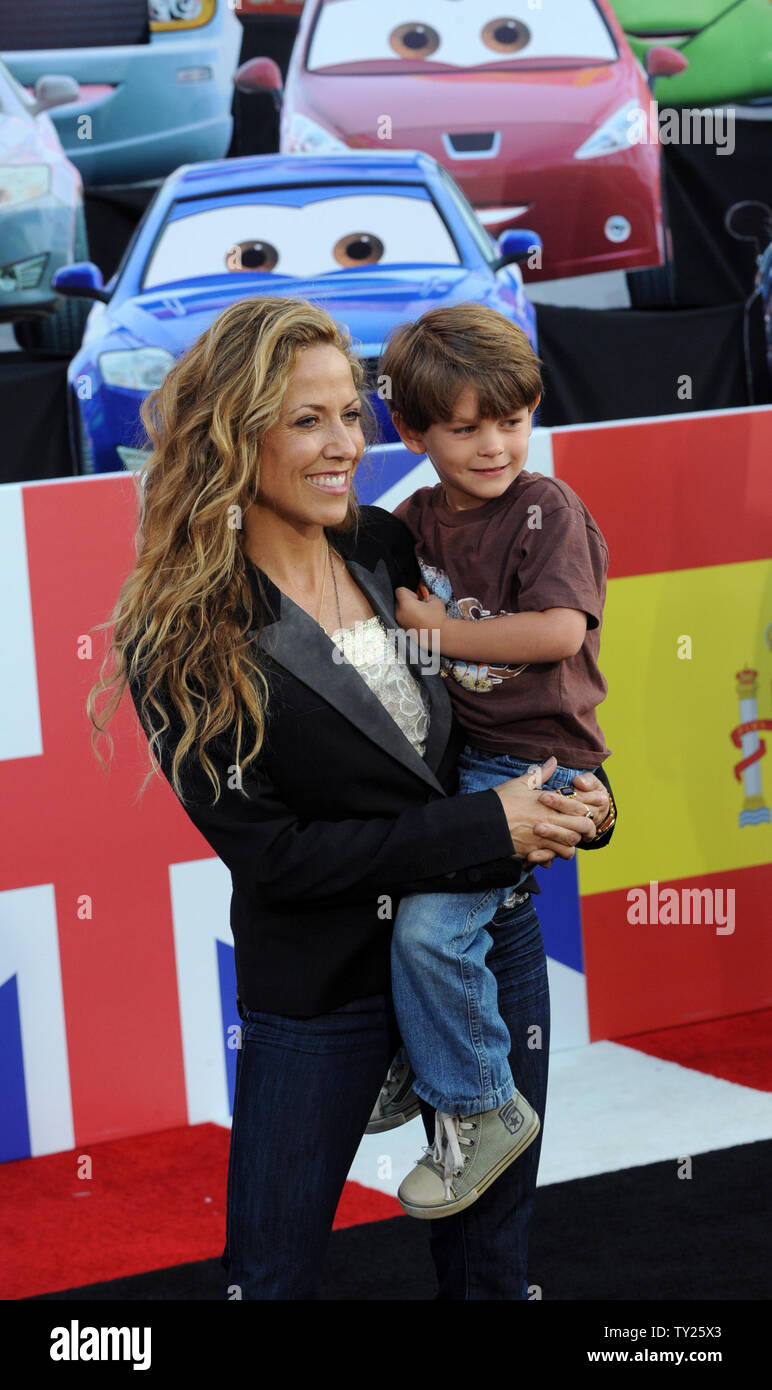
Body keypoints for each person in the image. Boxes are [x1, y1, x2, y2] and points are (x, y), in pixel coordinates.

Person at [86, 294, 616, 1300]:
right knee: (271, 1275)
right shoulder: (184, 633)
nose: (345, 446)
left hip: (481, 943)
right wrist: (483, 824)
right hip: (322, 987)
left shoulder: (385, 544)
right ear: (234, 439)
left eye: (349, 414)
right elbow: (274, 854)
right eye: (306, 420)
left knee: (488, 1264)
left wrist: (584, 803)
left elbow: (508, 718)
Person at [373, 302, 614, 1219]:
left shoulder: (546, 508)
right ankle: (418, 1066)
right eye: (465, 428)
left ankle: (482, 1104)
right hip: (463, 762)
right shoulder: (413, 520)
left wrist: (435, 629)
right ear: (414, 429)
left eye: (510, 420)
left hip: (537, 764)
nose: (494, 446)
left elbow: (557, 632)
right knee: (397, 910)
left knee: (434, 933)